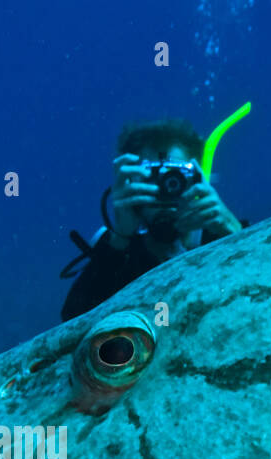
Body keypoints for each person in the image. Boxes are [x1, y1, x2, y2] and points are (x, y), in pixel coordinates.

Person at [60, 118, 245, 322]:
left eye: (176, 175)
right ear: (128, 183)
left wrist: (235, 232)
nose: (167, 186)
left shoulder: (220, 237)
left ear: (198, 177)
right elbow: (74, 323)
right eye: (151, 177)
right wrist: (118, 242)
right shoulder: (117, 253)